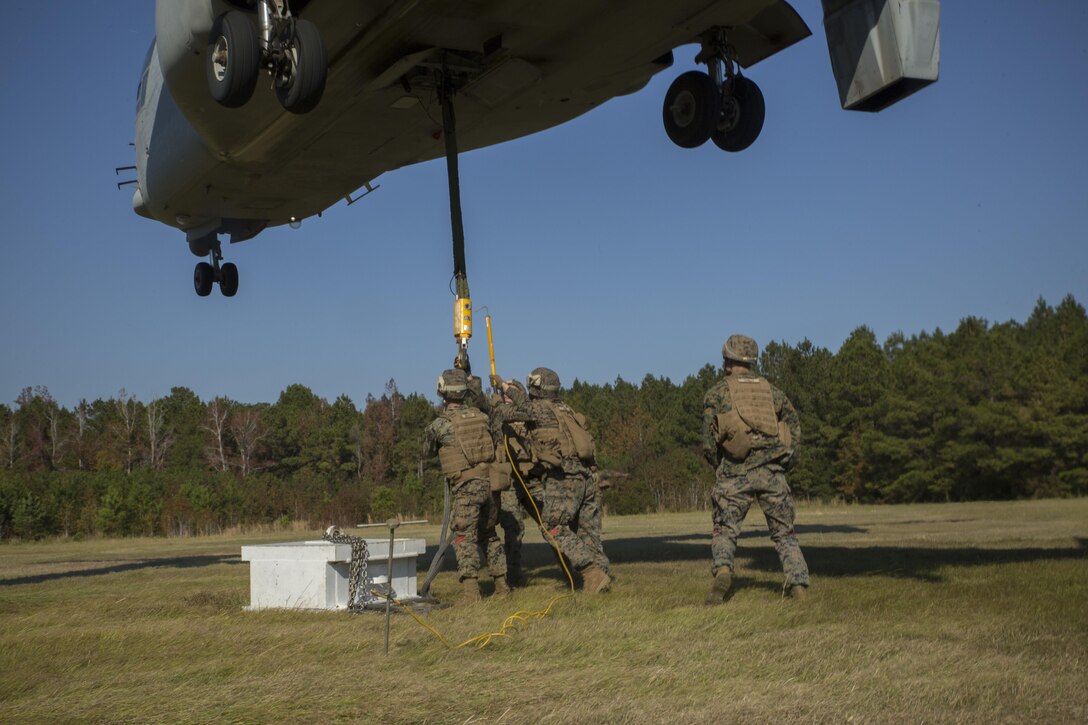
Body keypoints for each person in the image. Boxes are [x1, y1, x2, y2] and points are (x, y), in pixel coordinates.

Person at [702, 335, 810, 603]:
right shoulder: (772, 392)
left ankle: (724, 571)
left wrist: (720, 466)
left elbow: (707, 442)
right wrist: (784, 462)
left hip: (734, 471)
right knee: (785, 534)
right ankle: (798, 586)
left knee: (725, 529)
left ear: (728, 361)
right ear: (751, 362)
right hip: (771, 472)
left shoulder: (717, 393)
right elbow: (794, 427)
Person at [506, 368, 612, 593]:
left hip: (565, 476)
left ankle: (591, 571)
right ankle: (601, 576)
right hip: (588, 476)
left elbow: (521, 408)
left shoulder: (540, 410)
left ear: (535, 387)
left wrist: (504, 390)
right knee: (587, 532)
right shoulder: (565, 409)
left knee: (553, 527)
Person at [424, 368, 508, 603]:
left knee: (463, 537)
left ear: (443, 391)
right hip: (490, 483)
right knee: (489, 534)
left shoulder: (441, 424)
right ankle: (502, 587)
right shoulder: (481, 417)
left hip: (467, 486)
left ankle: (471, 593)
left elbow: (426, 449)